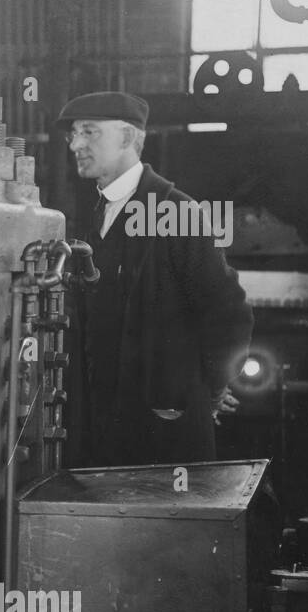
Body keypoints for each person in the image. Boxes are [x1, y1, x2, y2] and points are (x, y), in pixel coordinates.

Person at [58, 91, 252, 467]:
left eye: (90, 132)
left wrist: (204, 391)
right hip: (101, 433)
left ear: (129, 138)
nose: (76, 144)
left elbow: (229, 313)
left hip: (162, 436)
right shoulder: (96, 213)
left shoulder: (177, 211)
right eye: (74, 134)